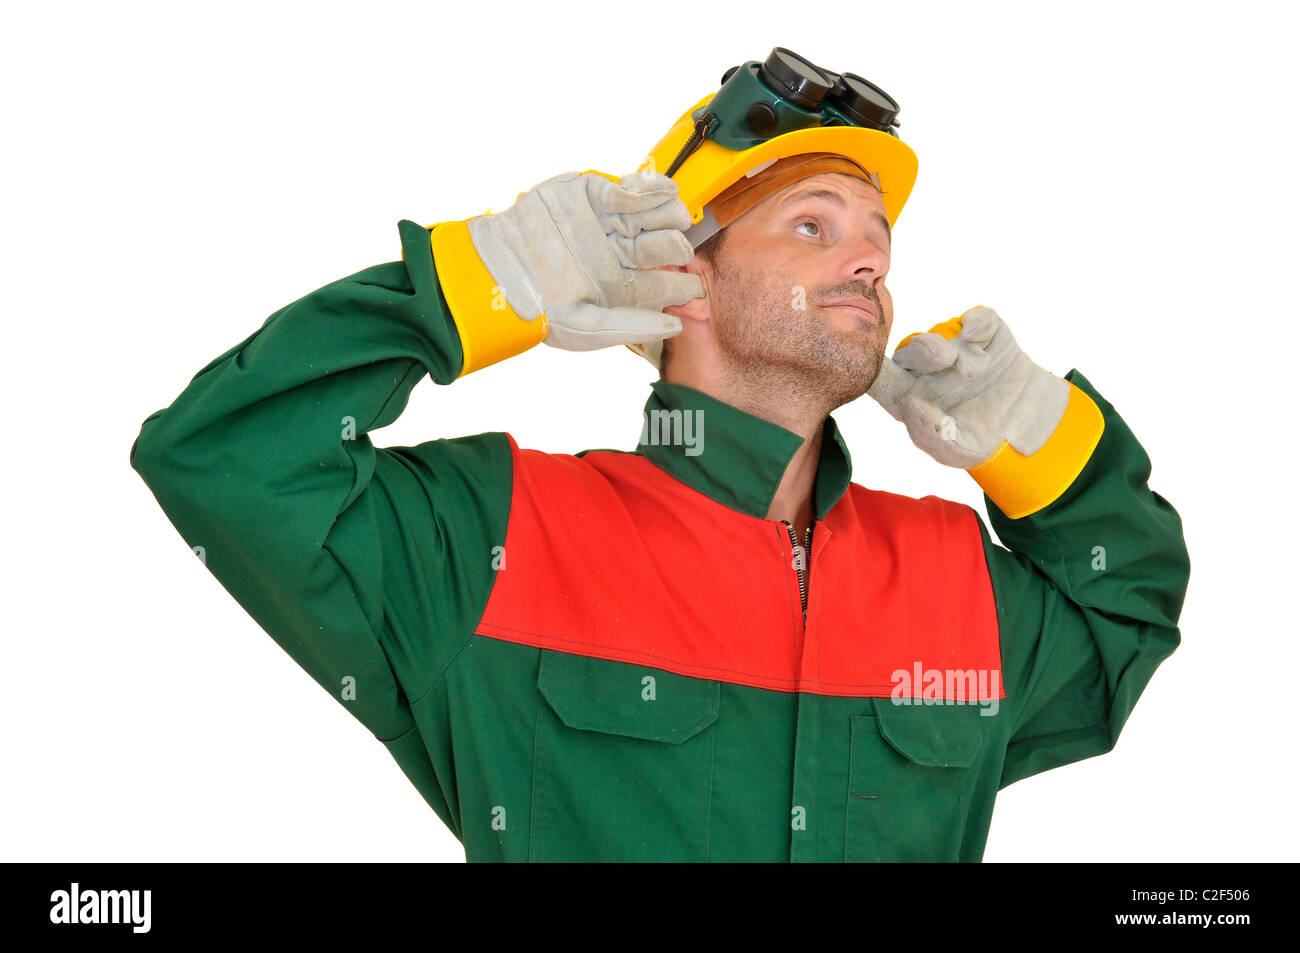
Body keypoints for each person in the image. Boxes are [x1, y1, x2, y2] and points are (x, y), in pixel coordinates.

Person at [129, 55, 1189, 862]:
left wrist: (1040, 441)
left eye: (875, 239)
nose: (866, 256)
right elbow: (223, 455)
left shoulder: (952, 573)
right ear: (682, 275)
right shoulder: (498, 537)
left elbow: (1126, 617)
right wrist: (485, 280)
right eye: (811, 224)